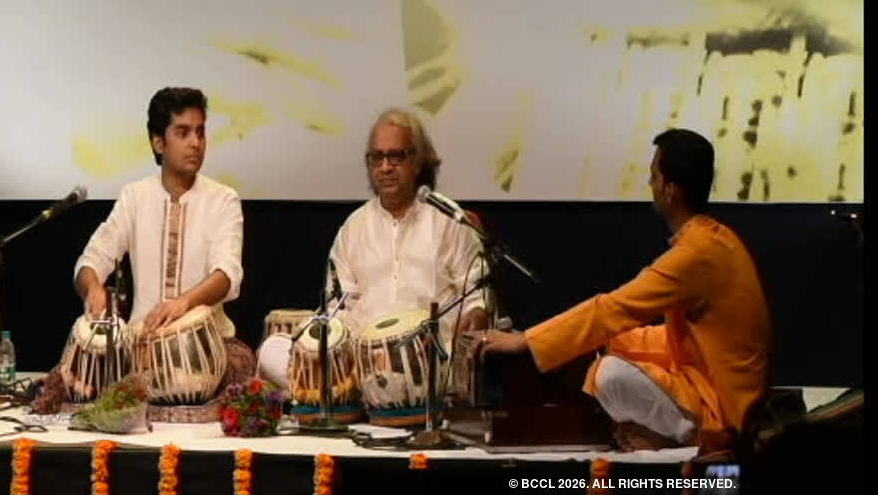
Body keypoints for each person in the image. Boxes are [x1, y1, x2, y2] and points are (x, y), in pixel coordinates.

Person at [477, 128, 771, 451]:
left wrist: (524, 342)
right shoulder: (714, 241)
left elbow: (614, 309)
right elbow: (678, 341)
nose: (650, 185)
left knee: (609, 375)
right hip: (711, 389)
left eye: (653, 176)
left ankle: (687, 437)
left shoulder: (697, 254)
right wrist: (597, 342)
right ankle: (660, 435)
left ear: (671, 190)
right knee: (610, 351)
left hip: (725, 412)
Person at [74, 87, 244, 336]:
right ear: (158, 142)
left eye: (200, 132)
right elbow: (91, 260)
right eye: (183, 132)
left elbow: (227, 273)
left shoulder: (223, 200)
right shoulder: (135, 197)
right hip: (143, 339)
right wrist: (92, 289)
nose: (196, 143)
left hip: (208, 342)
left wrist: (184, 303)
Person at [329, 108, 492, 350]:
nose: (385, 167)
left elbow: (477, 294)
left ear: (417, 162)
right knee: (275, 351)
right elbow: (338, 306)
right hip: (363, 364)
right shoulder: (354, 228)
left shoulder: (448, 221)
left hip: (433, 360)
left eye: (396, 156)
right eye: (377, 157)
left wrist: (477, 313)